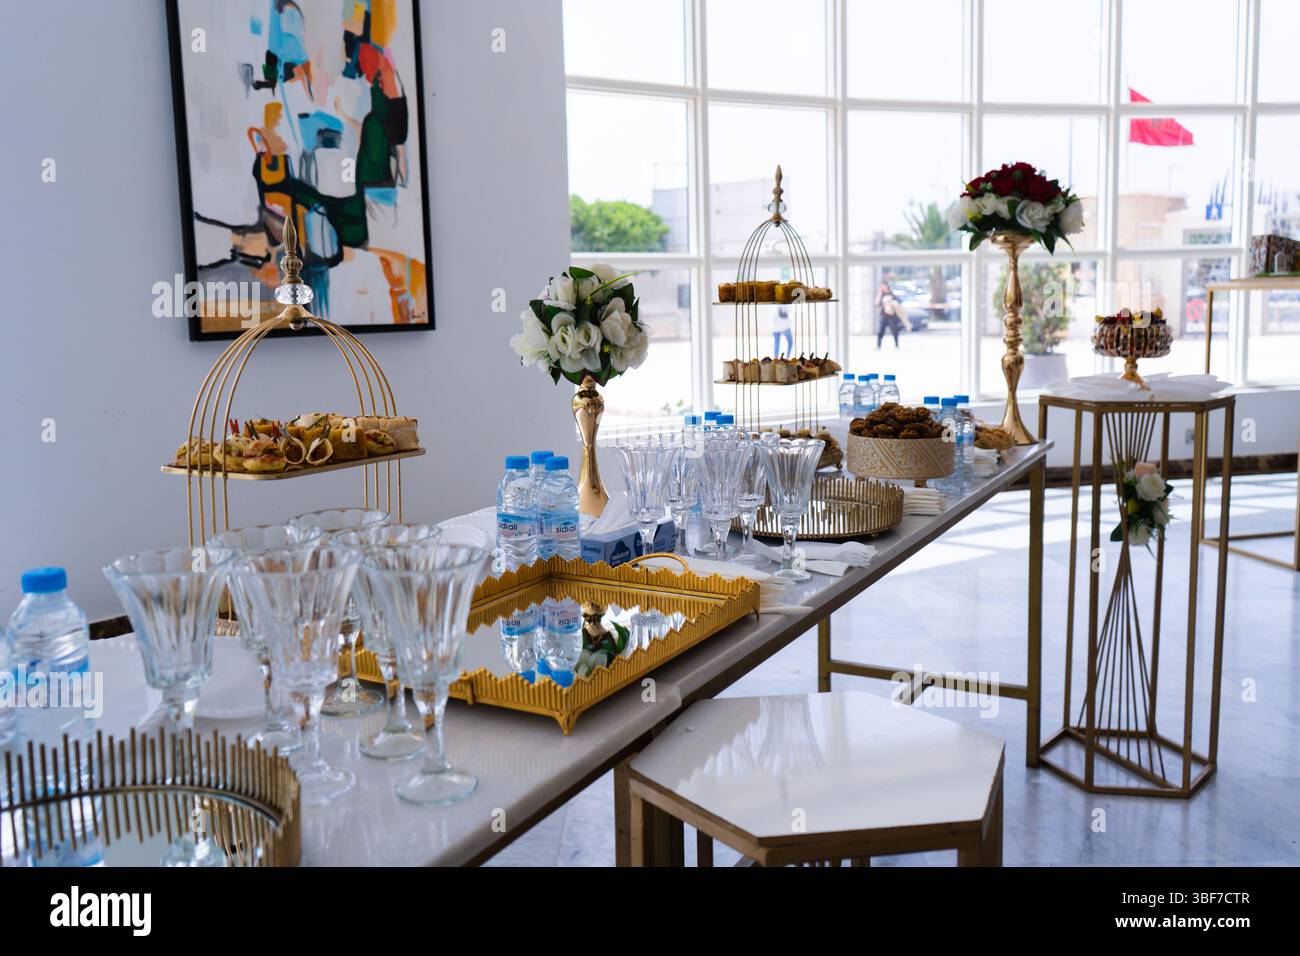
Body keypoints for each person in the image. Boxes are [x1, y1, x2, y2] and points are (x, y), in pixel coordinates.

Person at [875, 281, 907, 349]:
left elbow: (898, 302)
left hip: (892, 316)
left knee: (894, 330)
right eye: (882, 286)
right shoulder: (881, 295)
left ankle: (896, 344)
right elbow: (877, 303)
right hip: (884, 315)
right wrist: (880, 293)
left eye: (884, 286)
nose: (883, 288)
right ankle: (878, 345)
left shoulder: (892, 294)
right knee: (880, 331)